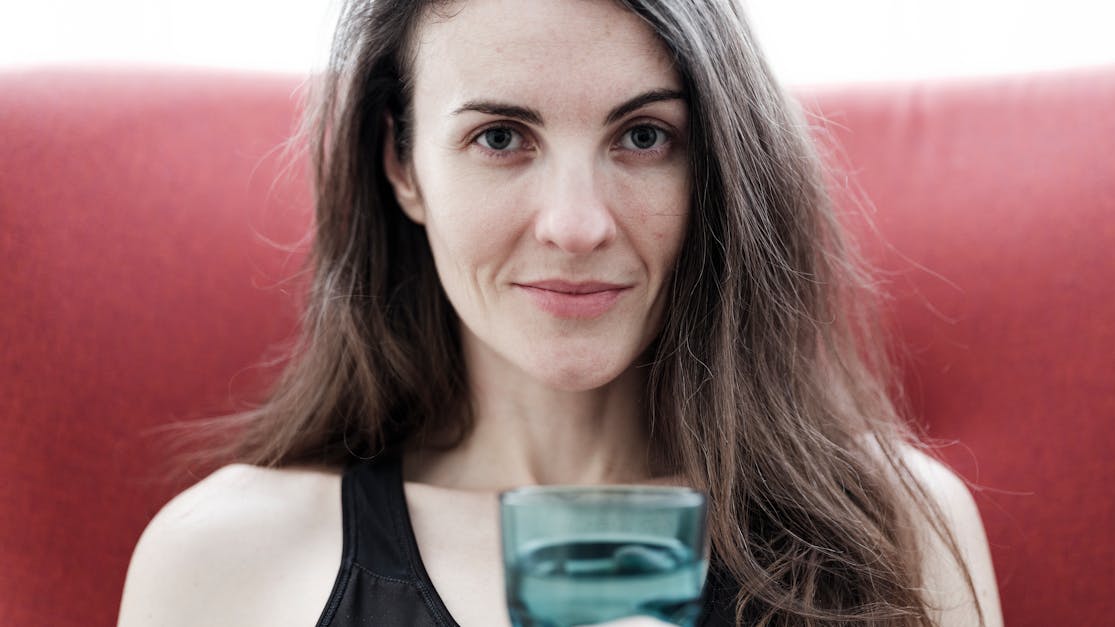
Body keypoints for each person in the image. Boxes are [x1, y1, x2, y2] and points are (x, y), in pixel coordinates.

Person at [118, 0, 1003, 625]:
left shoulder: (897, 532)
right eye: (501, 138)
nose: (577, 225)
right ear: (402, 163)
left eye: (644, 136)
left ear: (718, 169)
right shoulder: (221, 562)